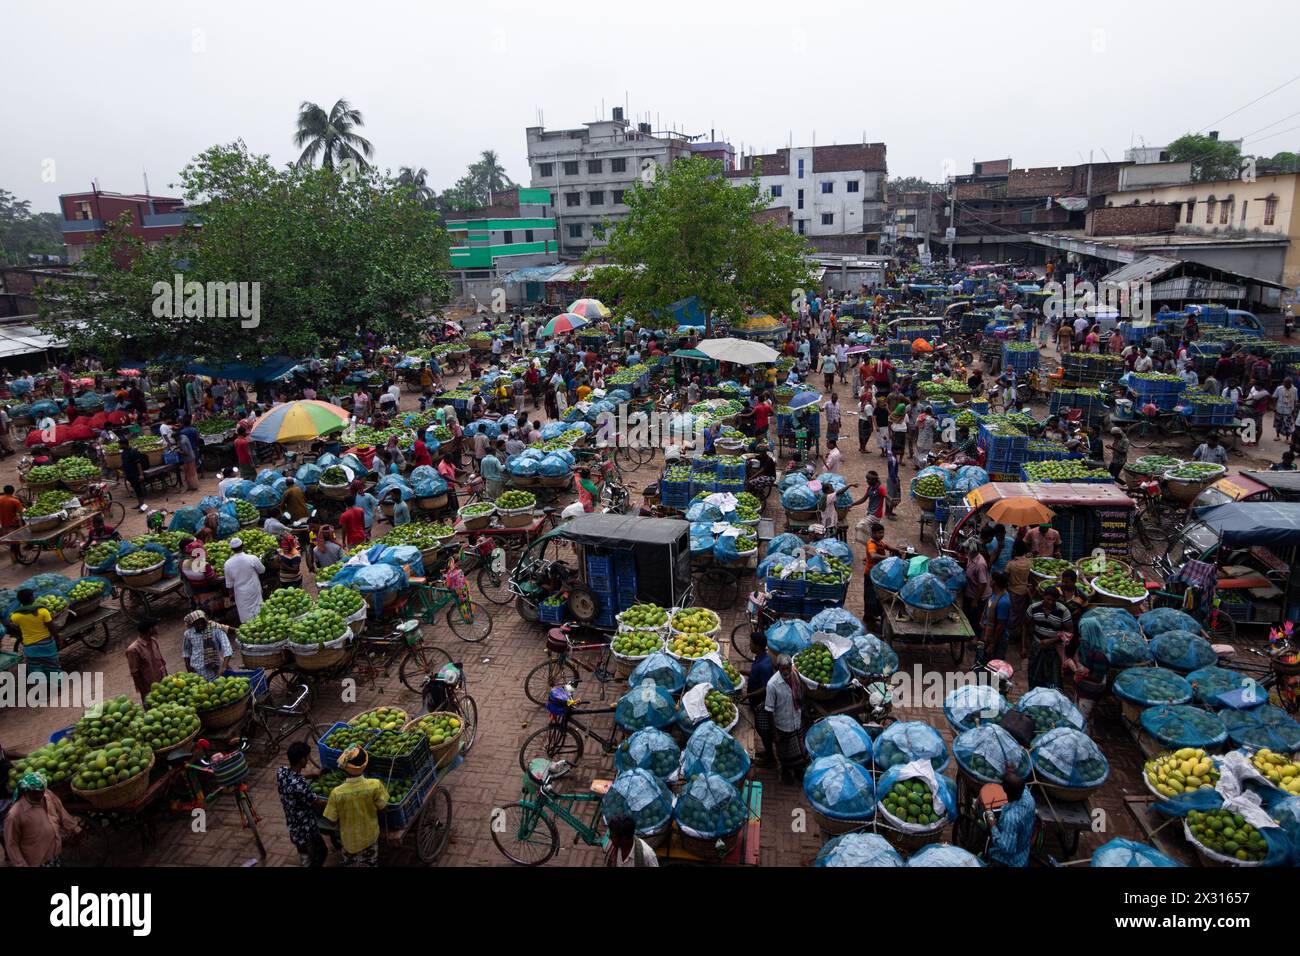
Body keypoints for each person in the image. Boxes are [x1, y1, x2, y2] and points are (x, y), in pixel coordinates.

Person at [323, 746, 389, 867]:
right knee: (371, 863)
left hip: (349, 842)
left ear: (345, 768)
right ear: (365, 765)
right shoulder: (375, 785)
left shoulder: (336, 793)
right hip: (371, 836)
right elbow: (383, 808)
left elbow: (331, 821)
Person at [3, 771, 80, 867]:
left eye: (42, 791)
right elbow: (11, 844)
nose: (39, 795)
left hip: (54, 854)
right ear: (26, 791)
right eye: (35, 793)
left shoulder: (47, 795)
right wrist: (21, 865)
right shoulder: (14, 815)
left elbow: (60, 809)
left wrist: (74, 827)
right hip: (36, 862)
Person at [277, 741, 329, 867]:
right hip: (306, 827)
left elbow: (296, 776)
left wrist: (313, 774)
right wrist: (337, 799)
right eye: (307, 758)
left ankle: (304, 858)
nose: (308, 760)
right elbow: (317, 803)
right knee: (321, 852)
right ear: (301, 760)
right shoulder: (300, 786)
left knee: (303, 850)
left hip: (292, 823)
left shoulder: (281, 772)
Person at [764, 654, 806, 783]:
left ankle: (799, 771)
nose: (786, 672)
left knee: (800, 751)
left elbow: (800, 697)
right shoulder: (772, 685)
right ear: (778, 668)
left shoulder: (795, 676)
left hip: (796, 721)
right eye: (783, 669)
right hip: (782, 725)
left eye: (788, 668)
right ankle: (786, 772)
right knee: (784, 753)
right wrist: (774, 732)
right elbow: (769, 710)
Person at [985, 772, 1036, 867]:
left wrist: (993, 826)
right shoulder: (1029, 798)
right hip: (1024, 850)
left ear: (1004, 790)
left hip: (1011, 861)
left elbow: (1007, 848)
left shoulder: (1011, 818)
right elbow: (1022, 787)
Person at [1025, 587, 1073, 688]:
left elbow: (1070, 632)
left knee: (1053, 677)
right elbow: (1025, 626)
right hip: (1037, 646)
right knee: (1034, 673)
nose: (1050, 602)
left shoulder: (1063, 611)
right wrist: (1025, 646)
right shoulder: (1033, 608)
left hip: (1054, 649)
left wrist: (1051, 640)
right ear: (1043, 597)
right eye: (1048, 599)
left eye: (1053, 600)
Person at [9, 588, 62, 675]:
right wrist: (58, 640)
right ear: (31, 598)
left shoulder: (16, 616)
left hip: (30, 648)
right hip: (47, 645)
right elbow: (52, 628)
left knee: (35, 669)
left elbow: (14, 625)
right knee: (53, 668)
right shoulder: (43, 611)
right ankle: (56, 686)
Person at [744, 630, 776, 766]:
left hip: (762, 704)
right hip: (755, 702)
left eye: (751, 643)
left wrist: (748, 695)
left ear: (757, 646)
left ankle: (771, 759)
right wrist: (741, 672)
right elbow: (754, 674)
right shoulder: (761, 657)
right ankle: (768, 753)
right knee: (760, 729)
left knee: (763, 731)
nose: (749, 645)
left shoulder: (764, 665)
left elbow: (766, 688)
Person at [181, 609, 233, 680]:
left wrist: (224, 666)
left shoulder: (215, 629)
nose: (200, 625)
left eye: (202, 622)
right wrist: (188, 667)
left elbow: (227, 648)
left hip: (214, 668)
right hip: (196, 669)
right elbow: (186, 651)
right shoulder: (188, 633)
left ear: (206, 620)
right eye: (197, 624)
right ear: (193, 624)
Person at [223, 537, 266, 622]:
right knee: (259, 611)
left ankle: (250, 632)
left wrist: (231, 595)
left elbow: (229, 585)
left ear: (232, 549)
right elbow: (262, 570)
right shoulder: (252, 558)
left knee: (245, 615)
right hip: (254, 589)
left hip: (240, 593)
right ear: (243, 546)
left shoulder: (227, 564)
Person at [126, 618, 167, 705]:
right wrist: (145, 693)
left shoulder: (153, 641)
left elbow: (161, 661)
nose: (158, 628)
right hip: (149, 689)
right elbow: (135, 673)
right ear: (150, 629)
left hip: (163, 683)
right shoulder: (133, 649)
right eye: (155, 626)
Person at [977, 571, 1013, 667]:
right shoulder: (995, 594)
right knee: (980, 657)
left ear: (994, 583)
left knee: (992, 665)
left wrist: (992, 645)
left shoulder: (1003, 602)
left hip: (996, 639)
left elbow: (1000, 626)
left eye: (991, 579)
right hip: (985, 633)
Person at [962, 539, 991, 635]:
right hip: (970, 591)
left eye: (967, 549)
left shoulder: (980, 564)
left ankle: (974, 637)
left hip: (978, 596)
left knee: (974, 618)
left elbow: (983, 584)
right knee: (965, 614)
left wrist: (975, 600)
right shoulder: (971, 557)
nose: (965, 551)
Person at [119, 438, 148, 512]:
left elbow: (138, 464)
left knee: (139, 490)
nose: (119, 446)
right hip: (129, 475)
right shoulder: (123, 453)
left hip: (135, 474)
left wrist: (141, 474)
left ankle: (143, 507)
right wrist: (125, 474)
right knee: (135, 489)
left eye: (120, 444)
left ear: (124, 444)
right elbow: (124, 464)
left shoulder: (133, 451)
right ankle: (140, 504)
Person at [0, 484, 23, 563]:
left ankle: (14, 557)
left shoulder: (0, 499)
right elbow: (21, 512)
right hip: (13, 524)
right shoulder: (15, 501)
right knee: (16, 541)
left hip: (4, 524)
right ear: (13, 491)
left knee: (12, 541)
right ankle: (18, 556)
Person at [1274, 377, 1298, 441]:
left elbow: (1295, 400)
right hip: (1279, 408)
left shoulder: (1294, 390)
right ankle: (1277, 436)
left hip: (1289, 409)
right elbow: (1275, 398)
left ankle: (1287, 438)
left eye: (1286, 383)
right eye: (1284, 382)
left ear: (1290, 383)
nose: (1284, 384)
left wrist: (1294, 409)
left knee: (1288, 425)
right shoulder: (1279, 388)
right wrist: (1274, 407)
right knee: (1278, 423)